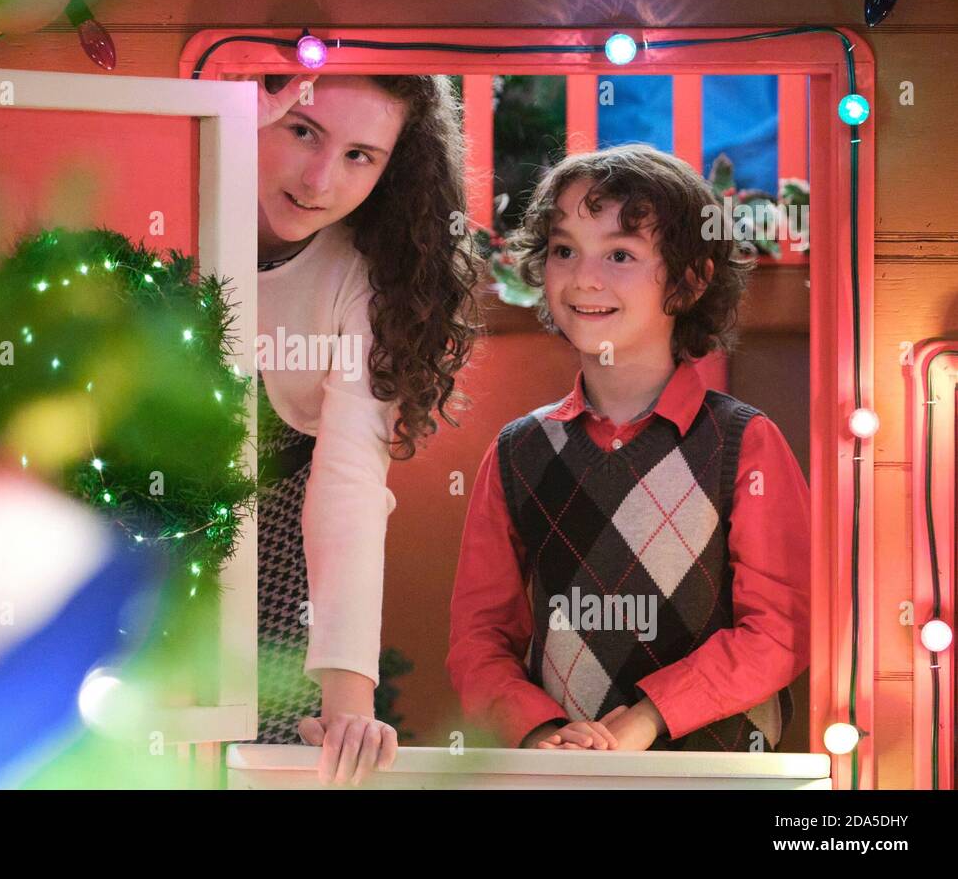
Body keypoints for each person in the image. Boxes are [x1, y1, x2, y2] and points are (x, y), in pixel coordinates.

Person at [446, 144, 810, 752]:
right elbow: (479, 637)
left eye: (621, 253)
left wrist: (647, 717)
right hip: (564, 777)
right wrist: (539, 730)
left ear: (691, 280)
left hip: (715, 778)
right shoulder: (518, 452)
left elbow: (780, 630)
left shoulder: (746, 444)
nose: (584, 277)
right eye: (565, 250)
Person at [240, 72, 481, 782]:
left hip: (284, 539)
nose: (320, 178)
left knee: (272, 751)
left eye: (360, 156)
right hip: (144, 510)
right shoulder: (171, 197)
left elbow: (346, 482)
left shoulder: (367, 274)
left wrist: (348, 697)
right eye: (303, 131)